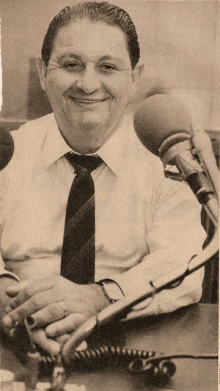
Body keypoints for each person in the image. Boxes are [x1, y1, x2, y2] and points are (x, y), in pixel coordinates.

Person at [0, 2, 205, 356]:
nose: (88, 83)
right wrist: (8, 298)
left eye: (107, 67)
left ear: (135, 77)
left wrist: (100, 297)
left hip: (128, 341)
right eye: (71, 64)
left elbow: (183, 266)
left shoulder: (166, 157)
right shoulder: (7, 153)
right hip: (14, 336)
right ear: (42, 72)